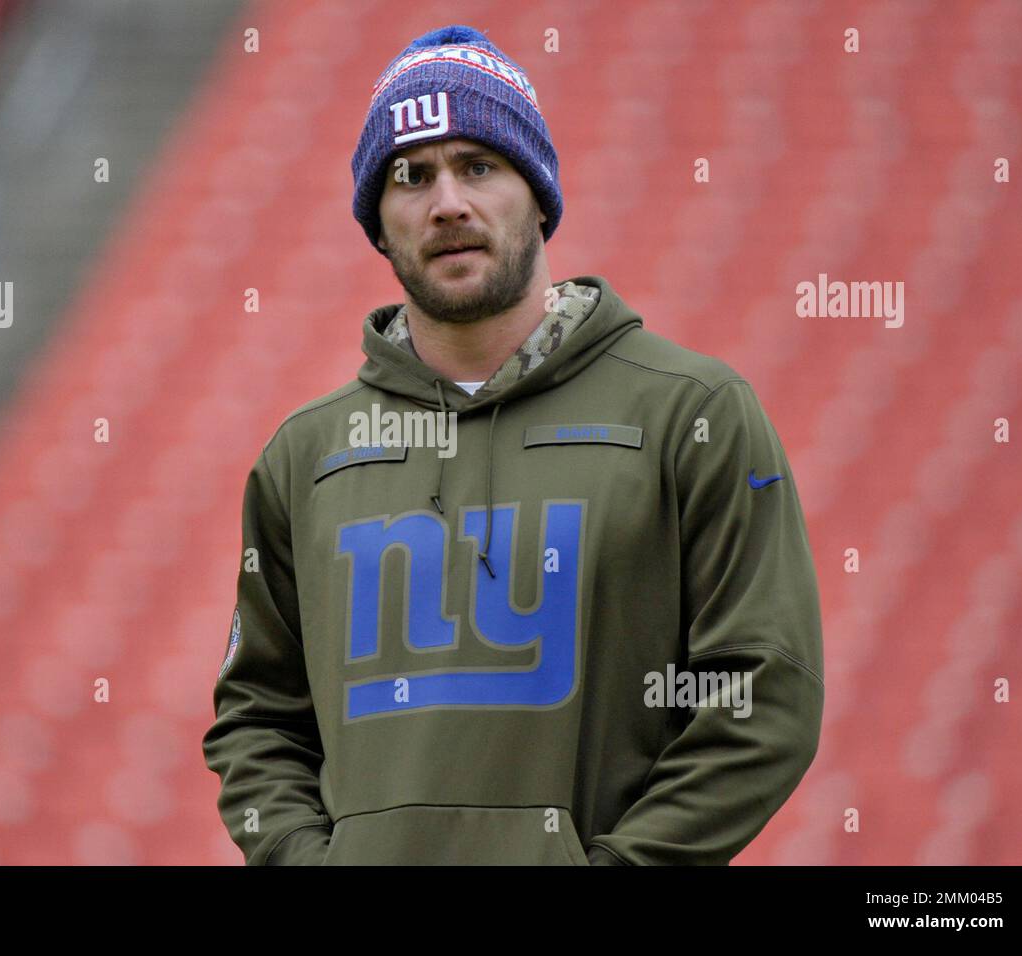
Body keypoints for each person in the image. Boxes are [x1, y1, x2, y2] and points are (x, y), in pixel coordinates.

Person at [202, 24, 823, 865]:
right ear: (378, 224)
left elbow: (763, 694)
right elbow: (257, 723)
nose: (447, 201)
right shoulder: (304, 458)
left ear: (539, 195)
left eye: (479, 166)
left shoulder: (693, 415)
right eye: (410, 176)